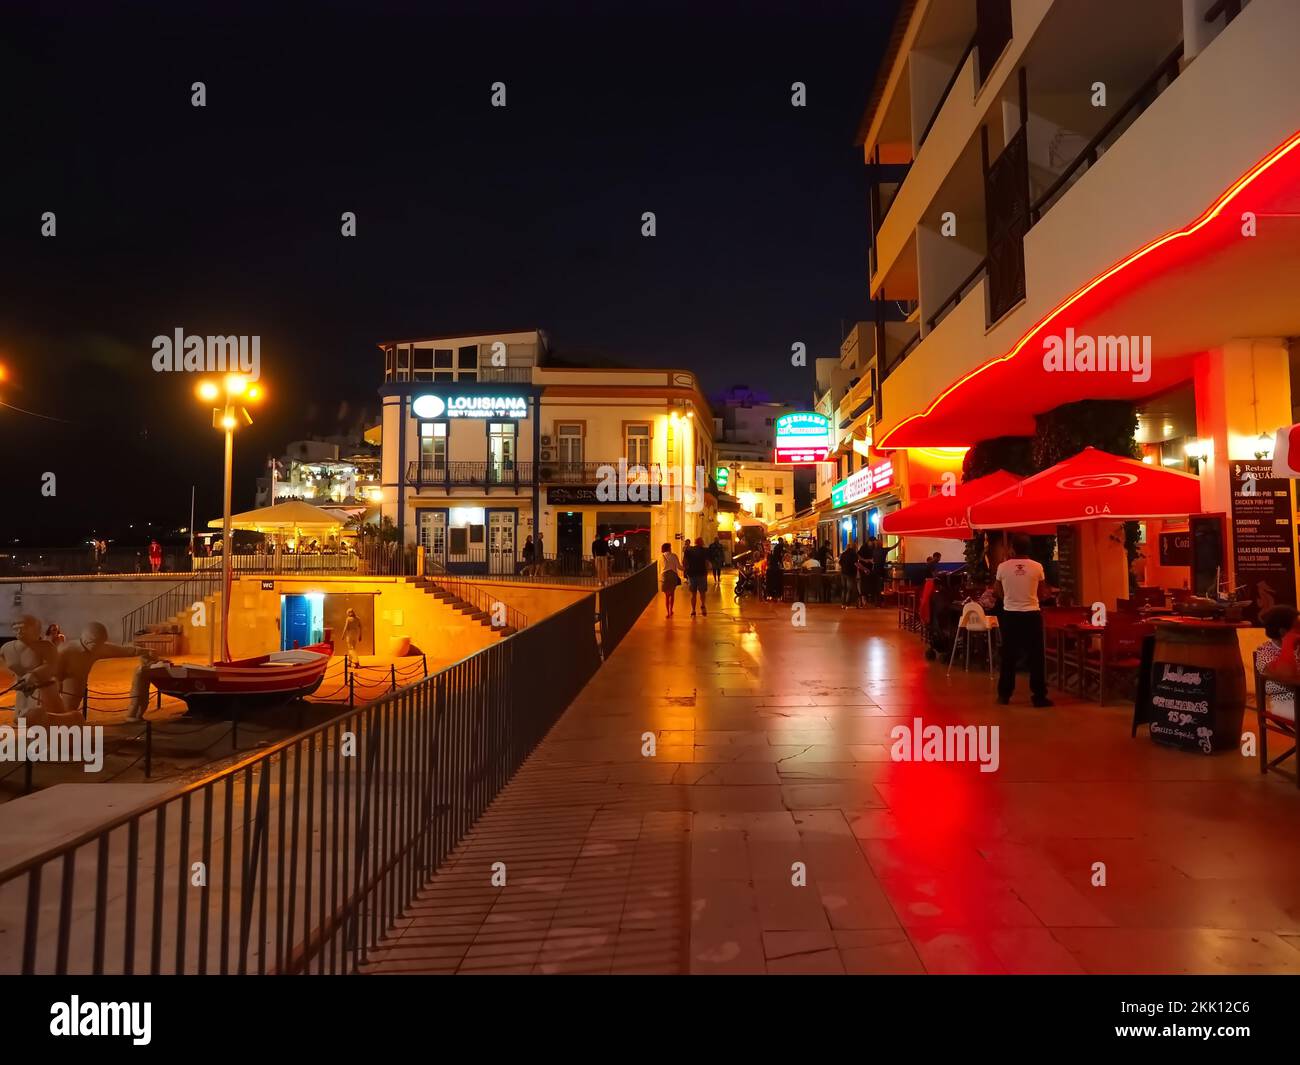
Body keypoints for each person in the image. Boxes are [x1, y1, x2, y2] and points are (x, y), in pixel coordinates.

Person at [994, 535, 1053, 707]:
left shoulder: (1003, 567)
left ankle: (1004, 695)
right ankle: (1039, 696)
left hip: (1010, 615)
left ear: (1012, 548)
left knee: (1008, 656)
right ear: (1029, 548)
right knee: (1036, 657)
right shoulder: (1037, 567)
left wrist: (1010, 598)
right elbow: (1042, 593)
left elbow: (997, 589)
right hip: (1032, 615)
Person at [1, 615, 58, 720]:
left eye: (24, 627)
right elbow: (4, 665)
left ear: (35, 629)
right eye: (16, 628)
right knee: (21, 721)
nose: (19, 631)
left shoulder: (46, 647)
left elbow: (53, 665)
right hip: (21, 691)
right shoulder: (6, 649)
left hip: (42, 690)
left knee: (40, 722)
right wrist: (15, 677)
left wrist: (35, 674)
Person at [1255, 605, 1300, 722]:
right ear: (1283, 632)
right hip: (1286, 703)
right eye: (1297, 626)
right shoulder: (1265, 652)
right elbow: (1288, 676)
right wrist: (1288, 642)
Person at [659, 542, 683, 617]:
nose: (671, 548)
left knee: (666, 596)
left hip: (665, 576)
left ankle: (667, 613)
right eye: (670, 547)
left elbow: (660, 569)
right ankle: (670, 610)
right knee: (672, 595)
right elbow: (679, 567)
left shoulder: (661, 557)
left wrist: (660, 578)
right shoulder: (674, 556)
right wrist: (686, 569)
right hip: (673, 576)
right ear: (668, 548)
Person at [838, 541, 859, 609]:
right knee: (849, 589)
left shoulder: (844, 553)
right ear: (855, 547)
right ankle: (847, 604)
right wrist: (864, 569)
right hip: (850, 573)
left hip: (843, 573)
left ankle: (842, 604)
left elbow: (840, 562)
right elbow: (856, 563)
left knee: (844, 589)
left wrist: (844, 566)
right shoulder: (854, 554)